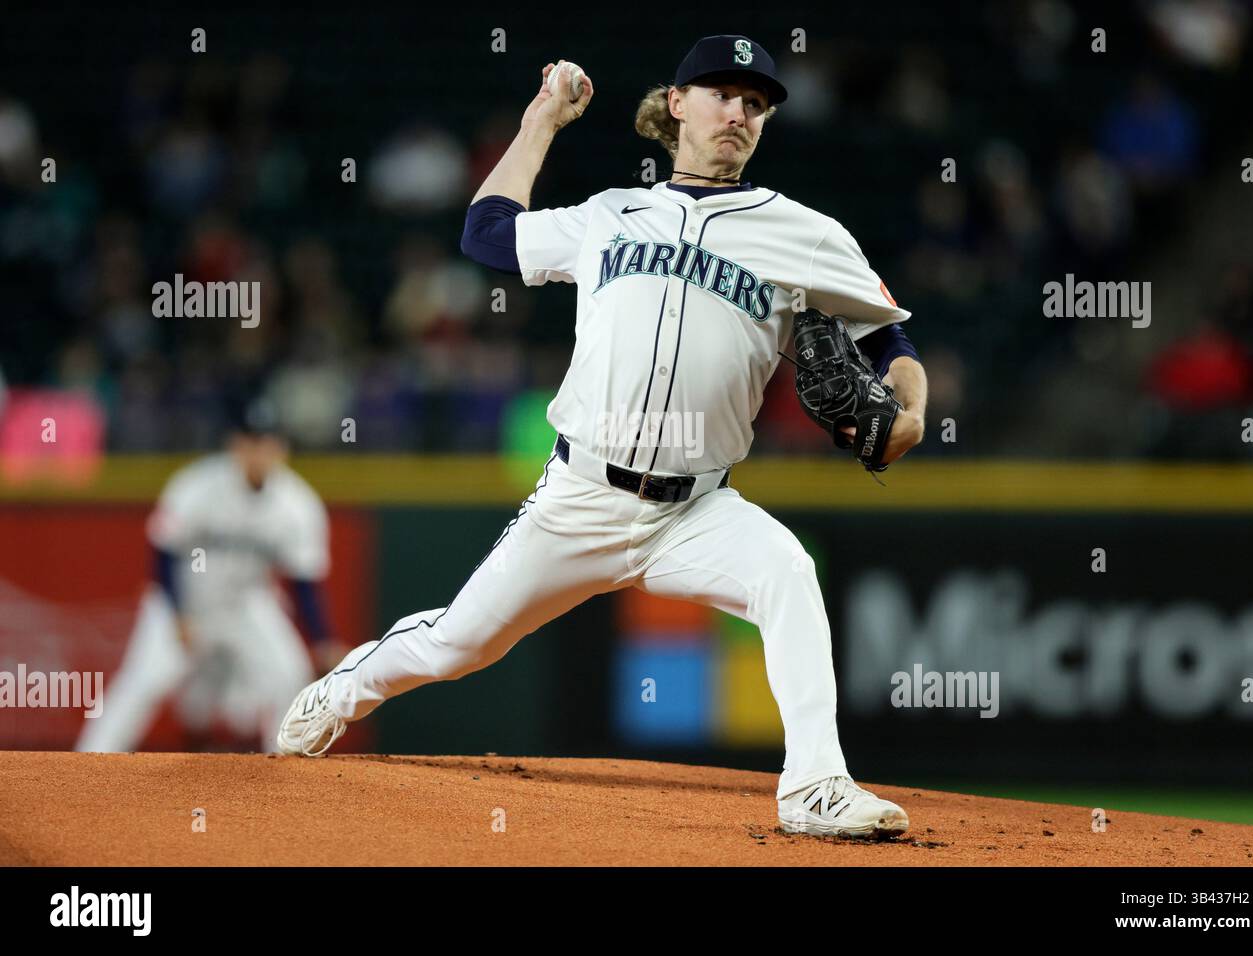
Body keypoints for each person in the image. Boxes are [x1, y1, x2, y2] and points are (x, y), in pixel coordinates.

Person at [278, 35, 928, 839]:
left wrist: (910, 411)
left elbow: (890, 343)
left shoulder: (806, 234)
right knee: (458, 645)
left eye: (756, 104)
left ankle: (814, 787)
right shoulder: (610, 214)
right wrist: (542, 121)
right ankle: (340, 692)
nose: (739, 113)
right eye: (723, 94)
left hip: (696, 511)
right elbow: (487, 235)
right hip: (580, 495)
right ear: (677, 105)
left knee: (787, 572)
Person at [77, 399, 349, 753]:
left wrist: (322, 638)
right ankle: (89, 762)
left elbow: (304, 582)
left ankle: (285, 767)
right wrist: (178, 614)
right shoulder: (198, 485)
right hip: (184, 601)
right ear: (234, 444)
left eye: (266, 441)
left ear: (281, 447)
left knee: (289, 674)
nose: (257, 450)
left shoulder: (297, 504)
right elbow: (164, 552)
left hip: (245, 604)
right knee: (143, 683)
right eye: (250, 440)